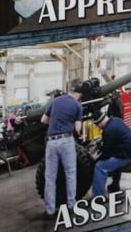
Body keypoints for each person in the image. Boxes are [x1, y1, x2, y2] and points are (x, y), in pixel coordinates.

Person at [41, 78, 84, 218]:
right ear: (79, 92)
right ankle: (71, 205)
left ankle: (50, 210)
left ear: (69, 89)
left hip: (51, 142)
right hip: (66, 141)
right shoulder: (78, 105)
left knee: (49, 177)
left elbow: (43, 120)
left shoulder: (55, 101)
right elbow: (78, 129)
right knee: (71, 174)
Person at [91, 106, 131, 197]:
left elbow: (106, 154)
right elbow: (111, 144)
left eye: (97, 125)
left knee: (99, 167)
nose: (98, 127)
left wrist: (95, 160)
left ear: (99, 123)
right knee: (113, 158)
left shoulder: (108, 131)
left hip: (128, 155)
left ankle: (98, 197)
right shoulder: (116, 120)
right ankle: (115, 185)